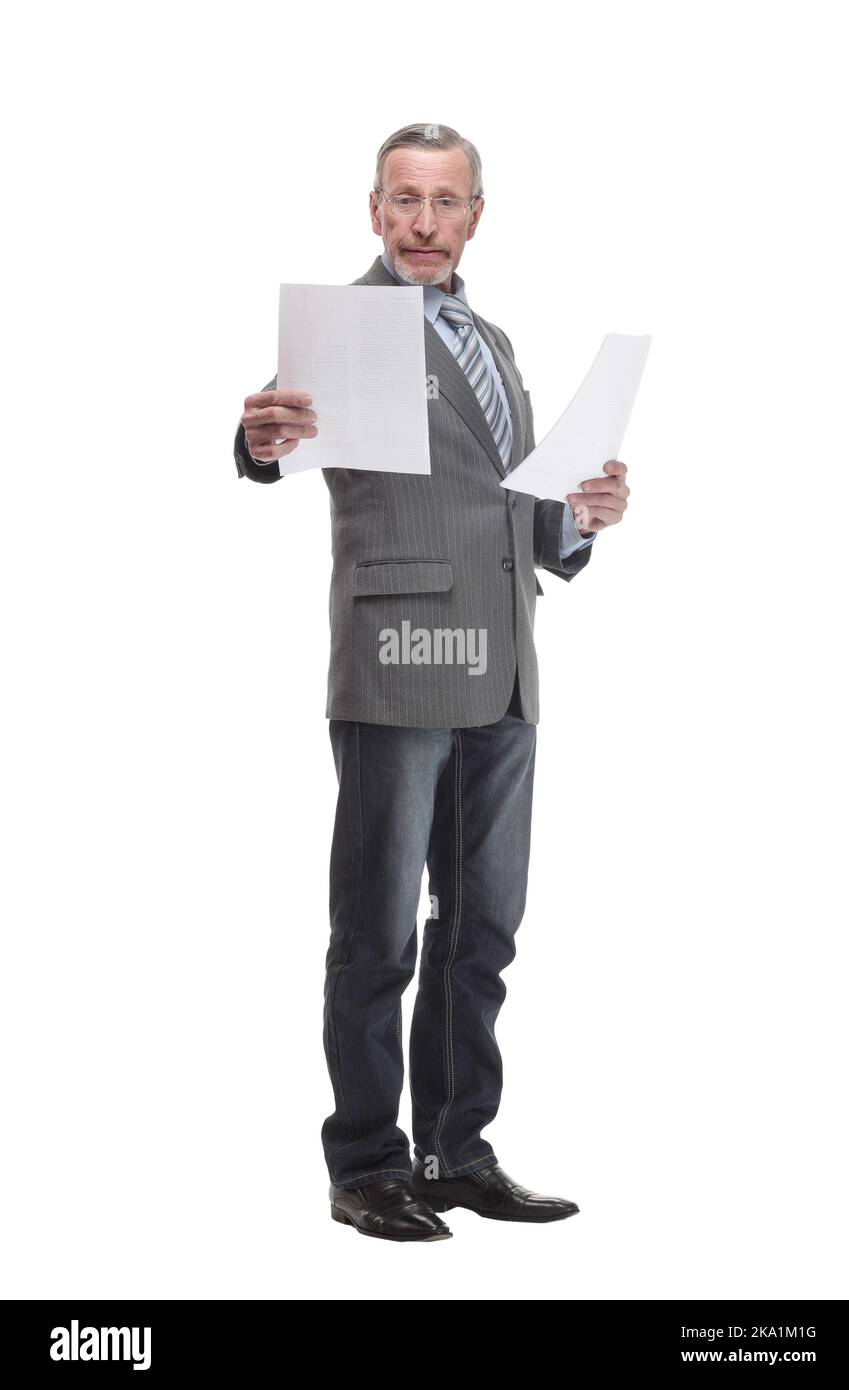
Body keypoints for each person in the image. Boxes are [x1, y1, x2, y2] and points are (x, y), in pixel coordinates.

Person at [233, 123, 630, 1242]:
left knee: (482, 925)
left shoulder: (494, 340)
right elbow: (274, 431)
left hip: (504, 667)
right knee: (377, 930)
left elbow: (521, 515)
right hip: (398, 660)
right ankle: (365, 1163)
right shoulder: (340, 331)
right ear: (373, 212)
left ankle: (457, 1148)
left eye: (442, 202)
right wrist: (255, 437)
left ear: (472, 217)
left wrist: (579, 516)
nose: (420, 222)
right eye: (401, 200)